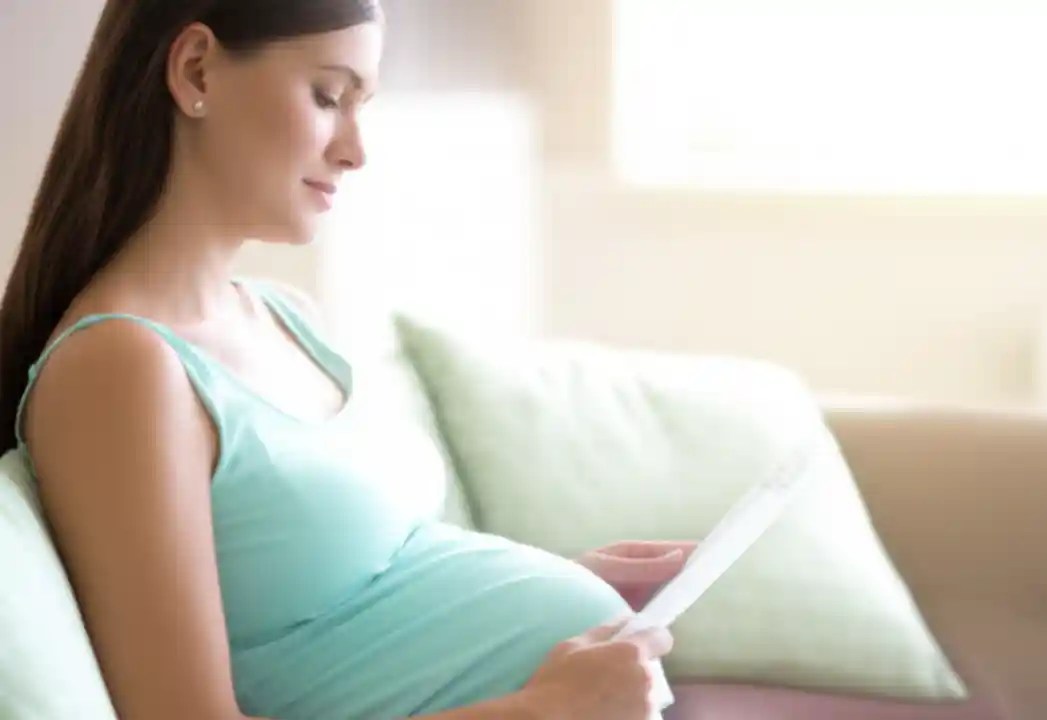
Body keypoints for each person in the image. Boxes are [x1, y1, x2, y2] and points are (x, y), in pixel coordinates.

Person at [0, 2, 694, 718]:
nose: (356, 151)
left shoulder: (288, 318)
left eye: (362, 106)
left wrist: (548, 589)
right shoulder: (120, 369)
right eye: (329, 96)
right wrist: (543, 708)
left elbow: (361, 588)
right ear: (197, 71)